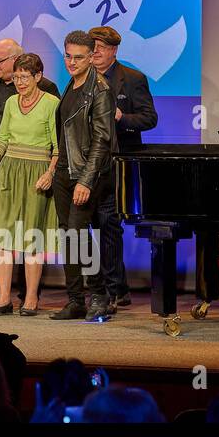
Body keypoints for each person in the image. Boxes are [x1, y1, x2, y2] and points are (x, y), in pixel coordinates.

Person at [0, 38, 59, 305]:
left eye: (25, 77)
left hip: (36, 170)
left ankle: (30, 296)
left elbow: (58, 145)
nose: (20, 82)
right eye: (17, 77)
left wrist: (50, 173)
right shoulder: (4, 95)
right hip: (6, 168)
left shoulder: (51, 100)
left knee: (31, 235)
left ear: (37, 76)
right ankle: (0, 294)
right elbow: (1, 136)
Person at [49, 30, 117, 322]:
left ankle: (99, 295)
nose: (72, 62)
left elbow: (102, 139)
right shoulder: (72, 84)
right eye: (68, 56)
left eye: (78, 57)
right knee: (68, 236)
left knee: (78, 234)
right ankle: (76, 300)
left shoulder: (99, 89)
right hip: (65, 170)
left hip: (86, 173)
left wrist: (86, 181)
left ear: (92, 57)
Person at [89, 25, 157, 309]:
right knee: (90, 224)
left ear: (114, 50)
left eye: (101, 48)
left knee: (109, 223)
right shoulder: (82, 79)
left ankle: (114, 289)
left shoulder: (132, 79)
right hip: (88, 163)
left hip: (118, 164)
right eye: (92, 48)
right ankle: (103, 286)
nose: (95, 53)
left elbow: (149, 118)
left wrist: (121, 117)